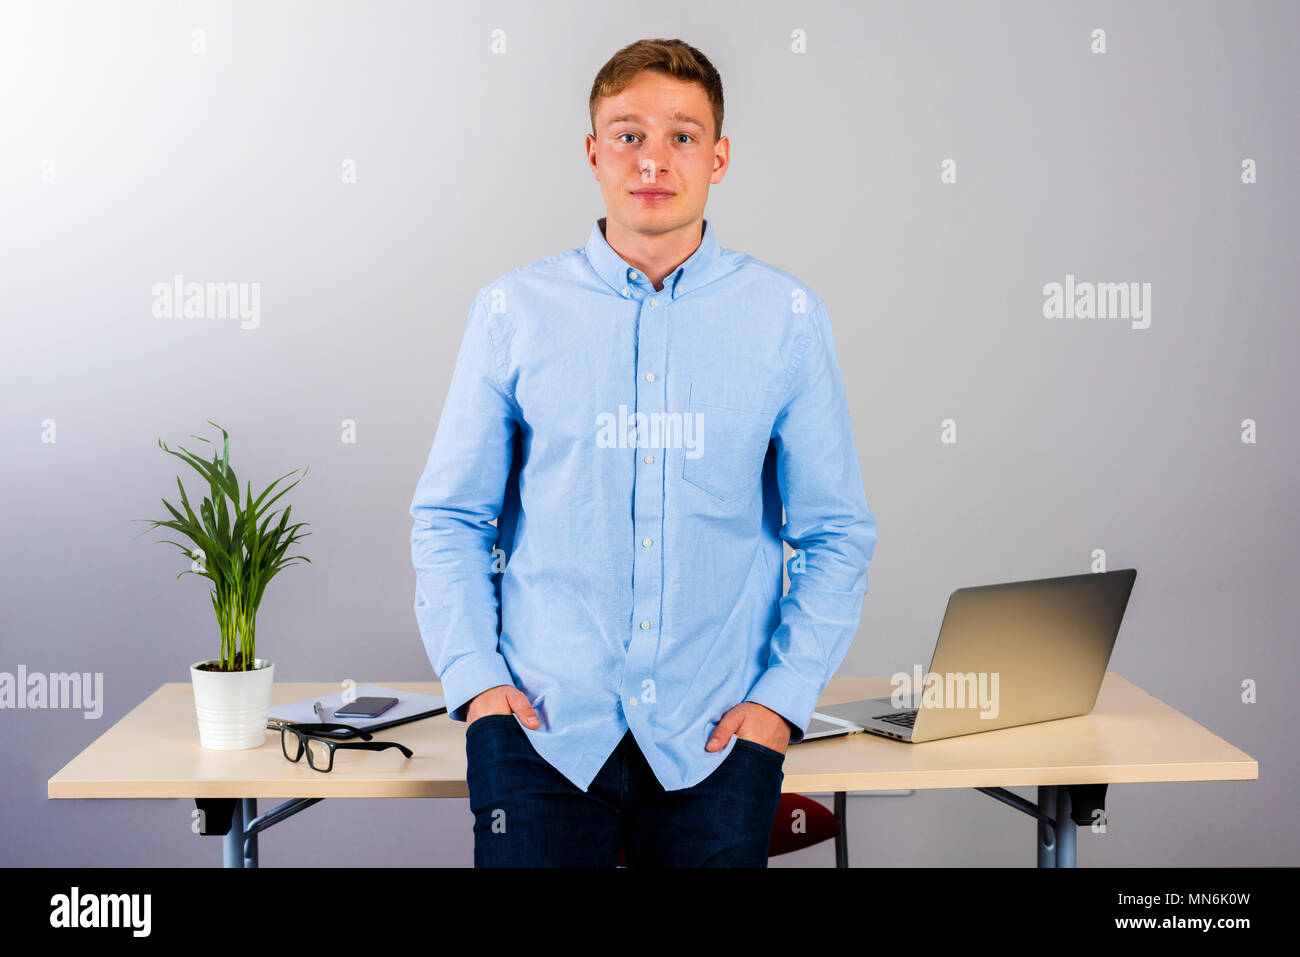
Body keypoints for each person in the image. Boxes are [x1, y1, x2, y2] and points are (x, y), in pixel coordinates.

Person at [410, 37, 877, 867]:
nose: (653, 160)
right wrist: (478, 688)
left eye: (682, 136)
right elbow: (450, 518)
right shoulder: (511, 311)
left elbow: (836, 532)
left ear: (719, 156)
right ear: (593, 153)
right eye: (628, 134)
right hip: (539, 736)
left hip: (718, 736)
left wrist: (780, 703)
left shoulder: (787, 319)